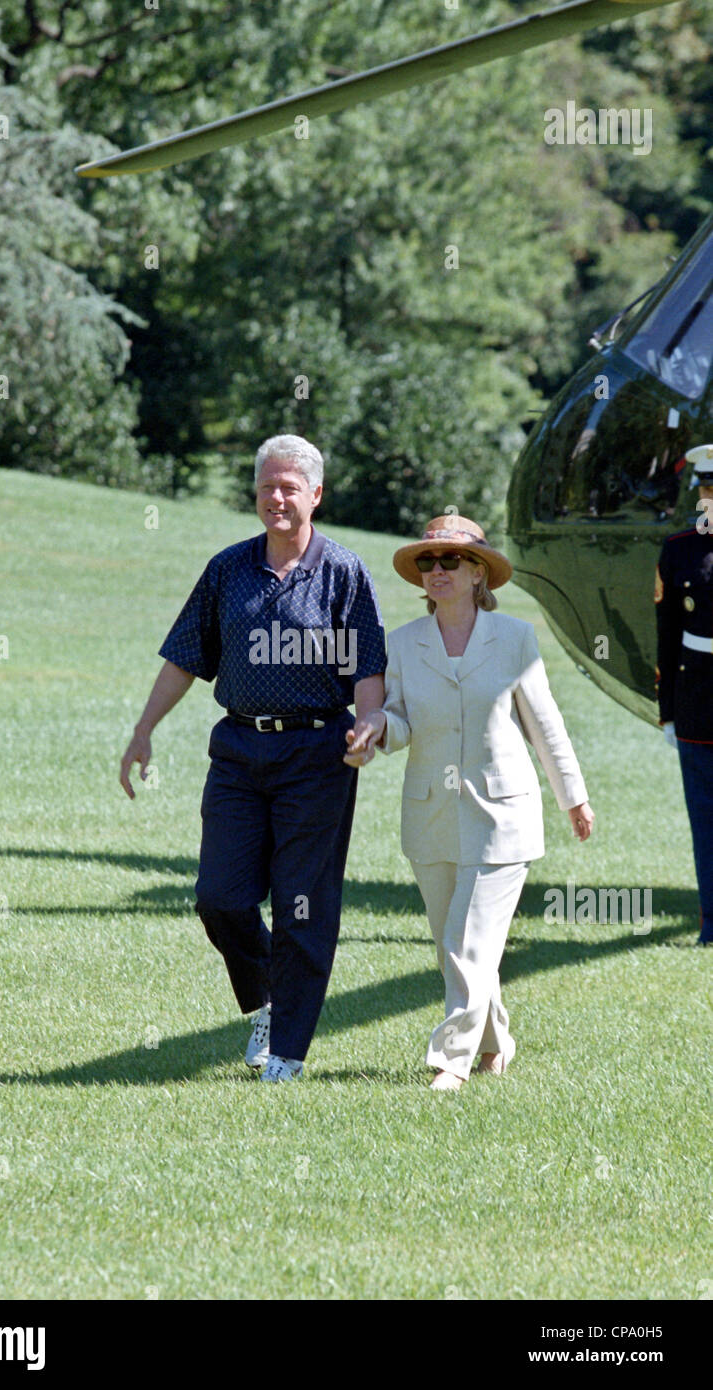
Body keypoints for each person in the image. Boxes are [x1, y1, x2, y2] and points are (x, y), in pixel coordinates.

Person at [120, 435, 386, 1081]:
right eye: (267, 485)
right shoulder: (227, 569)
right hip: (238, 750)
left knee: (301, 905)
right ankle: (269, 999)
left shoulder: (343, 572)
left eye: (289, 487)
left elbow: (367, 667)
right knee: (221, 898)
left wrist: (371, 720)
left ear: (315, 495)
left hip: (316, 754)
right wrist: (143, 730)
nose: (275, 497)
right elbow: (186, 655)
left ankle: (287, 1052)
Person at [345, 515, 594, 1091]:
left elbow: (545, 726)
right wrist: (376, 726)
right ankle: (495, 1045)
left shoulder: (515, 638)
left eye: (450, 561)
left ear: (478, 571)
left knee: (467, 939)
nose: (437, 570)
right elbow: (401, 720)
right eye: (428, 562)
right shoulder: (404, 642)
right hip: (430, 814)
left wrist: (572, 797)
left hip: (503, 816)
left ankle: (449, 1060)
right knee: (455, 943)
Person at [655, 442, 713, 946]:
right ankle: (711, 924)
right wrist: (668, 712)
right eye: (707, 489)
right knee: (704, 817)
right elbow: (667, 632)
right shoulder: (679, 550)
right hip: (698, 701)